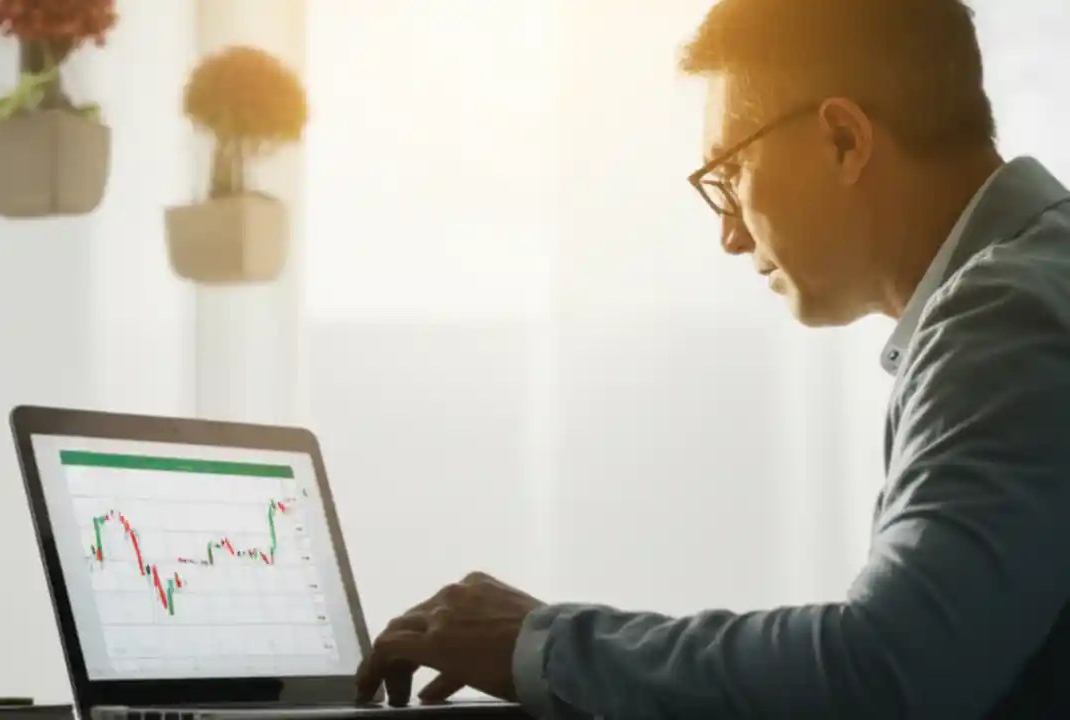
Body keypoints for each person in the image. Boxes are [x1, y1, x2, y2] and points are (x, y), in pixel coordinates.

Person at [353, 0, 1070, 717]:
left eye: (730, 176)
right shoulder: (1035, 281)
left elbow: (887, 669)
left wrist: (544, 645)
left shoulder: (1002, 315)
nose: (729, 236)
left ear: (844, 140)